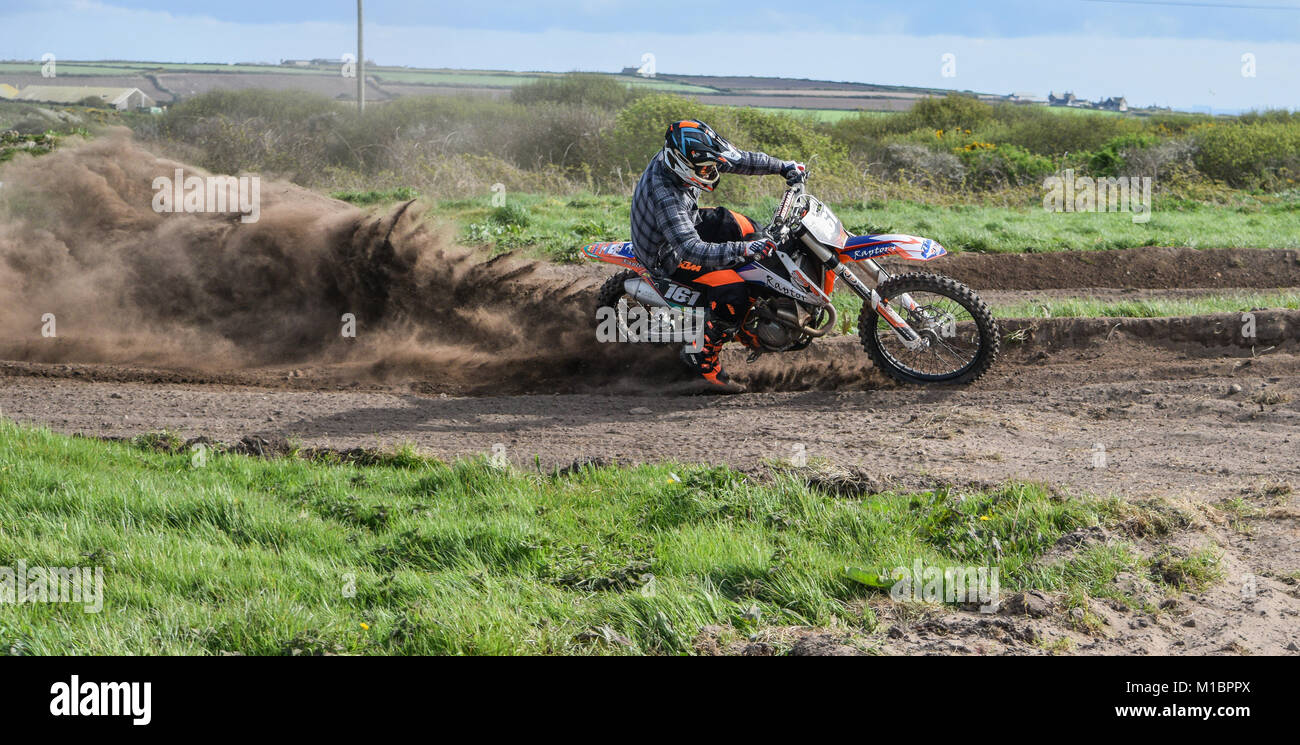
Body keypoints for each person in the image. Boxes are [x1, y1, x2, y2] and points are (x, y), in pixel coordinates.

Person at [629, 119, 806, 388]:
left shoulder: (692, 151)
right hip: (669, 255)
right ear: (682, 164)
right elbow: (692, 249)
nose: (712, 170)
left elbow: (739, 160)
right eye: (706, 169)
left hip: (688, 223)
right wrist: (744, 250)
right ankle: (701, 356)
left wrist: (783, 166)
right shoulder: (665, 194)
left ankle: (767, 310)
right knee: (733, 290)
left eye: (712, 165)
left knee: (749, 228)